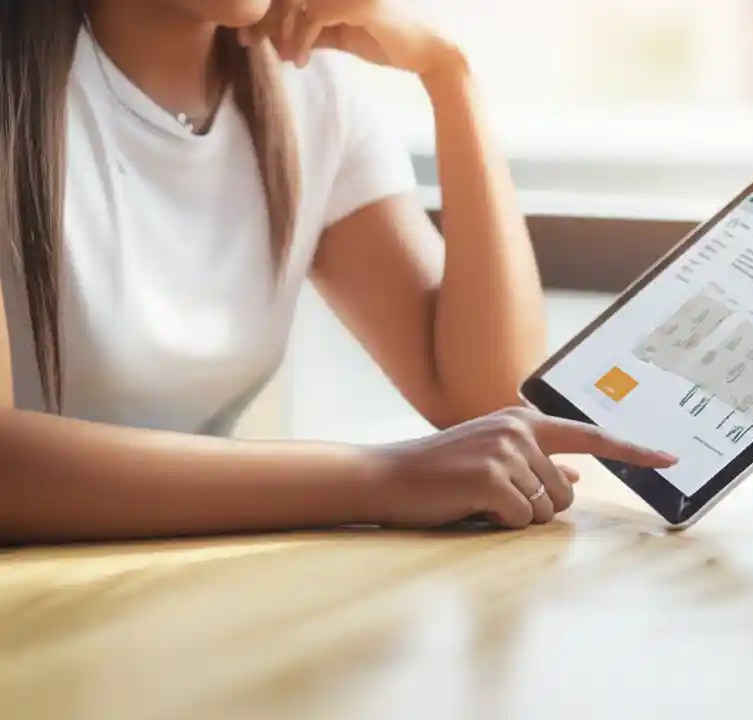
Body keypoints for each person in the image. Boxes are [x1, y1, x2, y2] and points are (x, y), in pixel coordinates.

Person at [0, 0, 676, 544]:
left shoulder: (306, 88)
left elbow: (487, 397)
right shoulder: (24, 91)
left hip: (174, 587)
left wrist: (448, 74)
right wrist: (381, 477)